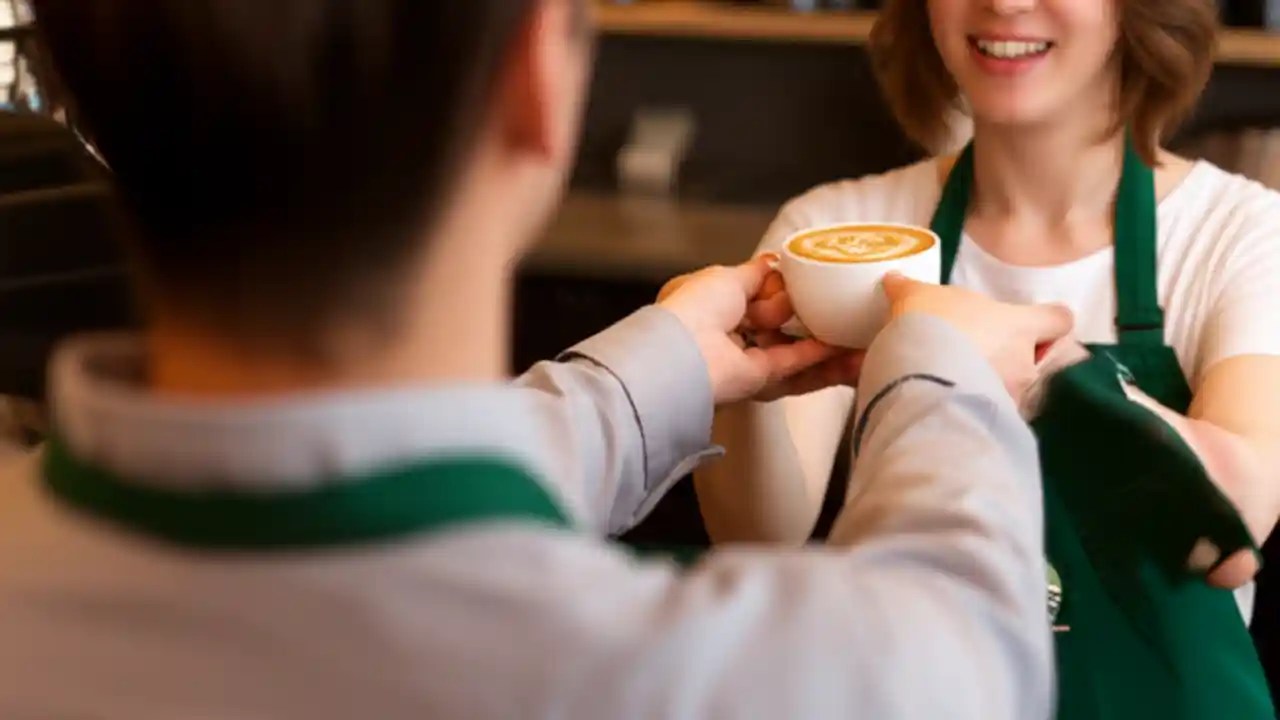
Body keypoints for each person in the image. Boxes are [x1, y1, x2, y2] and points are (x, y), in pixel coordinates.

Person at [0, 1, 1071, 718]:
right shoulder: (680, 682)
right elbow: (965, 650)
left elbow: (343, 478)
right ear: (537, 82)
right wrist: (945, 382)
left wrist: (654, 372)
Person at [696, 0, 1280, 717]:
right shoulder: (839, 233)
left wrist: (1042, 373)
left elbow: (1240, 510)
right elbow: (760, 532)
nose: (1004, 3)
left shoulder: (1238, 234)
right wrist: (752, 378)